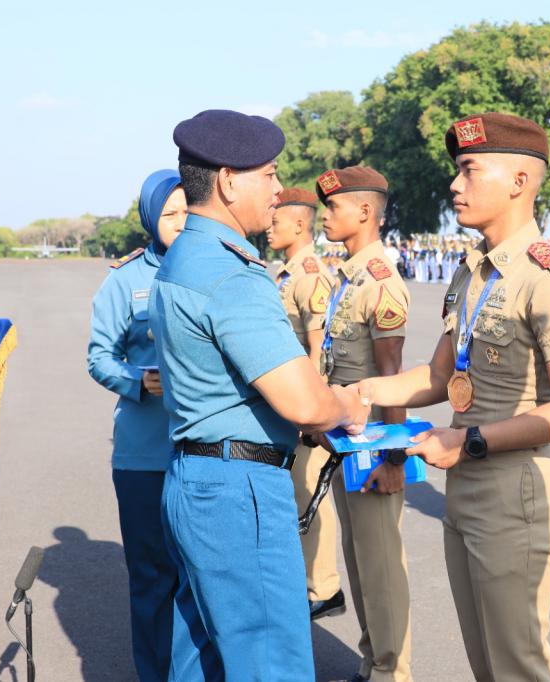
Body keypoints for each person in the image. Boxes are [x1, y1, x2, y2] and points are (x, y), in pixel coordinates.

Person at [357, 113, 550, 682]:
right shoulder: (474, 272)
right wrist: (360, 392)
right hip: (468, 476)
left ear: (519, 181)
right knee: (485, 664)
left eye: (469, 170)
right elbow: (441, 376)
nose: (454, 184)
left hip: (513, 486)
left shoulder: (549, 277)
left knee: (518, 666)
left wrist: (466, 441)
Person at [149, 110, 370, 681]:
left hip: (196, 478)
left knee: (201, 657)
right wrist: (346, 404)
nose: (278, 190)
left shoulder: (184, 256)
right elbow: (304, 403)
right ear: (227, 180)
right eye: (269, 175)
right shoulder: (233, 274)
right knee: (272, 662)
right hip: (237, 489)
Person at [87, 169, 187, 681]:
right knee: (151, 577)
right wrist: (135, 379)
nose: (181, 220)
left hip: (205, 453)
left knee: (198, 577)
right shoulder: (123, 280)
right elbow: (98, 356)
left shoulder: (210, 269)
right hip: (144, 455)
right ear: (150, 217)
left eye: (188, 210)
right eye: (170, 213)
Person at [316, 165, 412, 682]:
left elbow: (391, 374)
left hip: (374, 444)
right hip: (348, 443)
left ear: (365, 212)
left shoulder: (379, 281)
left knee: (380, 567)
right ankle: (373, 660)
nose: (325, 216)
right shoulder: (347, 276)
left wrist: (395, 457)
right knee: (358, 561)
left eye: (333, 207)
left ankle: (392, 671)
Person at [266, 187, 346, 620]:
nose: (269, 228)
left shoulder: (311, 275)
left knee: (310, 495)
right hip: (291, 404)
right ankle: (312, 580)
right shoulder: (287, 272)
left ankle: (323, 586)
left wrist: (309, 408)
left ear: (299, 224)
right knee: (299, 495)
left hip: (305, 407)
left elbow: (319, 348)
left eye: (276, 222)